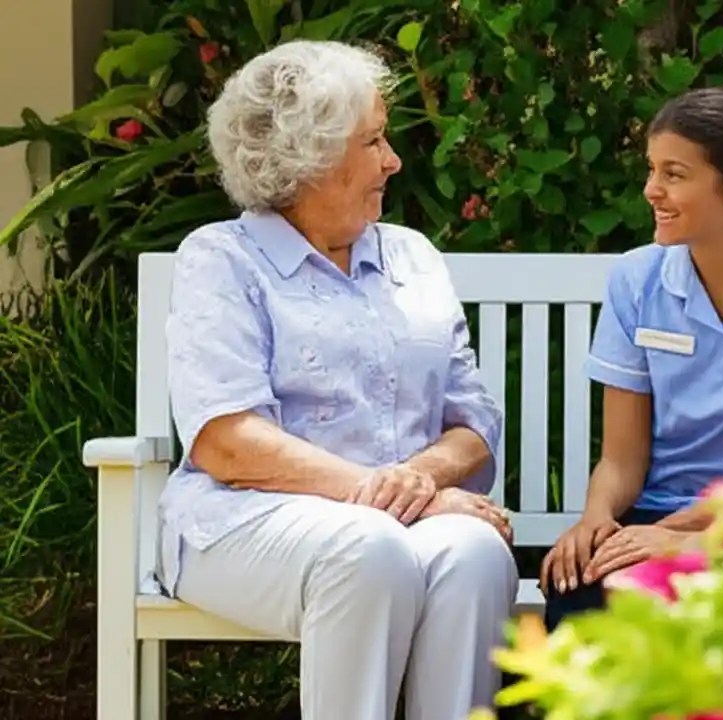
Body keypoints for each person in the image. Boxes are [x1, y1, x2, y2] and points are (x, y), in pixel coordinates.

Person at [157, 40, 517, 720]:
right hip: (247, 522)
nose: (394, 160)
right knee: (368, 549)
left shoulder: (412, 256)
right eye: (373, 141)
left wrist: (414, 484)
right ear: (311, 158)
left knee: (476, 555)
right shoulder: (223, 261)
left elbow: (473, 426)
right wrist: (385, 496)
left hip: (402, 518)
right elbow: (228, 442)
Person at [538, 87, 723, 631]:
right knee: (578, 593)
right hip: (657, 507)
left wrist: (671, 540)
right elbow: (622, 458)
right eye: (651, 171)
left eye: (674, 173)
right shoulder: (637, 279)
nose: (652, 190)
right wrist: (597, 522)